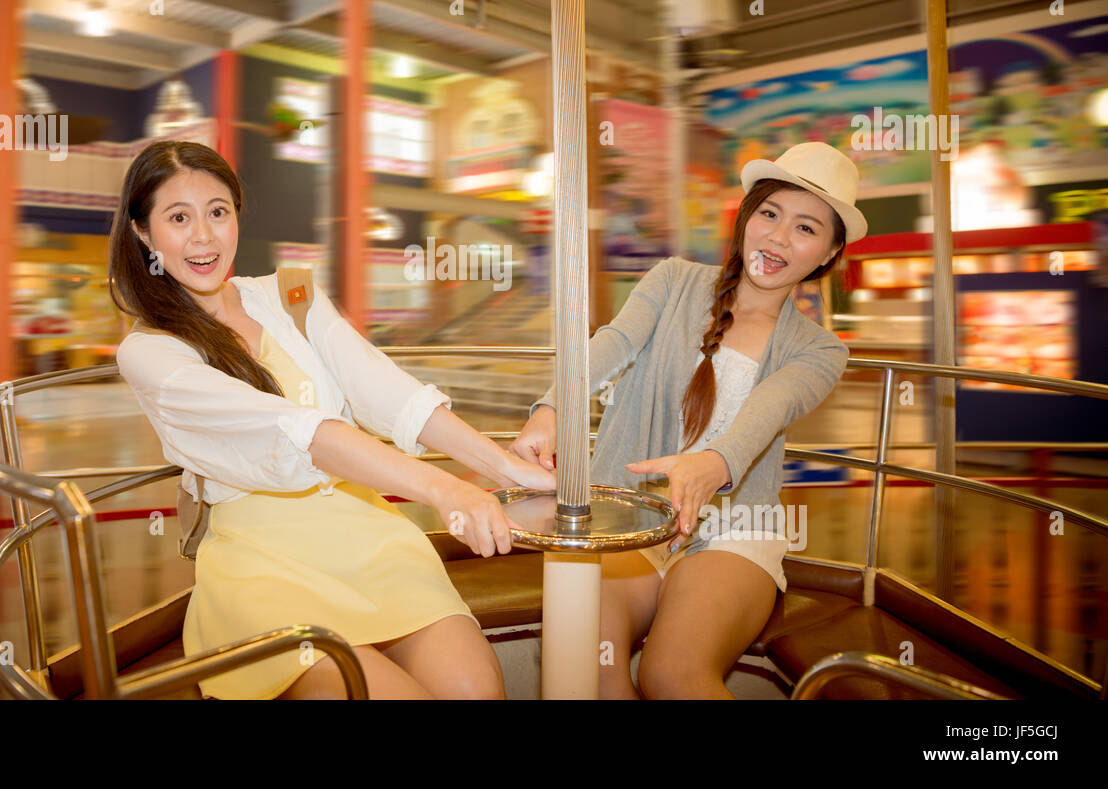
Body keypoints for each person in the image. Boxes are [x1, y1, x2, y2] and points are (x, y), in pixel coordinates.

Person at [110, 140, 555, 700]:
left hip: (365, 537)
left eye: (218, 212)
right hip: (263, 563)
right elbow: (297, 433)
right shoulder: (151, 351)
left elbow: (387, 392)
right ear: (143, 234)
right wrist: (447, 491)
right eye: (179, 217)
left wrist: (508, 467)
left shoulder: (291, 294)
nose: (204, 236)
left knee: (475, 688)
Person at [512, 142, 866, 699]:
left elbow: (767, 409)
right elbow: (613, 343)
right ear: (747, 219)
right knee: (582, 655)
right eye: (769, 214)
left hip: (731, 533)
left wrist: (713, 463)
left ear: (827, 252)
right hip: (631, 517)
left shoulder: (820, 350)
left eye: (805, 227)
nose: (777, 237)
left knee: (673, 675)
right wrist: (556, 408)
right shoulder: (673, 280)